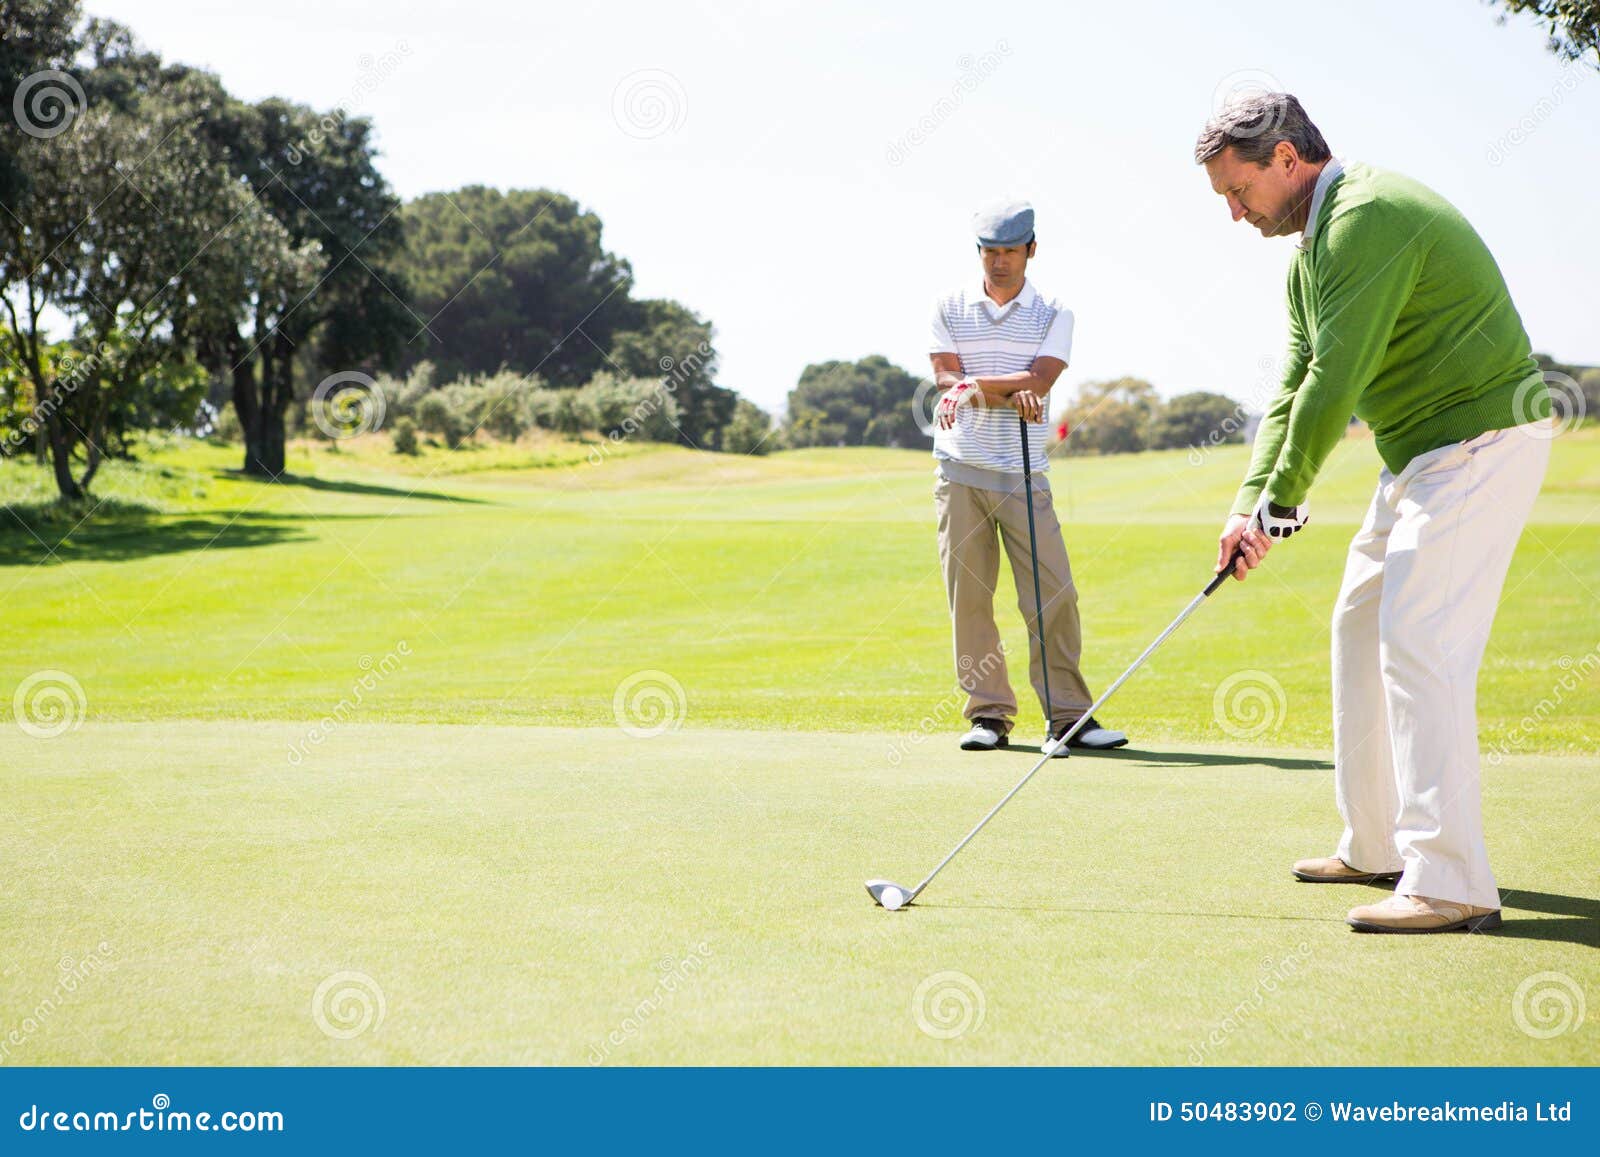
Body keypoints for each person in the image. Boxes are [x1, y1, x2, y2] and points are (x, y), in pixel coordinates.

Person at [1195, 93, 1552, 933]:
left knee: (1419, 641)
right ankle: (1377, 842)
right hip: (1418, 456)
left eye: (1237, 191)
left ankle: (1451, 877)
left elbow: (1335, 382)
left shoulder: (1368, 216)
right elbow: (1289, 386)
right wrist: (1249, 504)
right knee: (1359, 626)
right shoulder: (1306, 257)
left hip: (1481, 438)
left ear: (1287, 159)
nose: (1234, 212)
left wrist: (1285, 504)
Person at [928, 199, 1126, 756]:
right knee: (970, 599)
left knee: (1053, 594)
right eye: (991, 252)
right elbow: (945, 374)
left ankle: (1069, 718)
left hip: (1023, 473)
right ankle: (988, 716)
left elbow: (1040, 382)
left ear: (1031, 250)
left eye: (1011, 250)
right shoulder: (949, 306)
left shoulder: (1054, 313)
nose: (1000, 262)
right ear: (980, 254)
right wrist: (982, 387)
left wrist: (974, 387)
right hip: (960, 472)